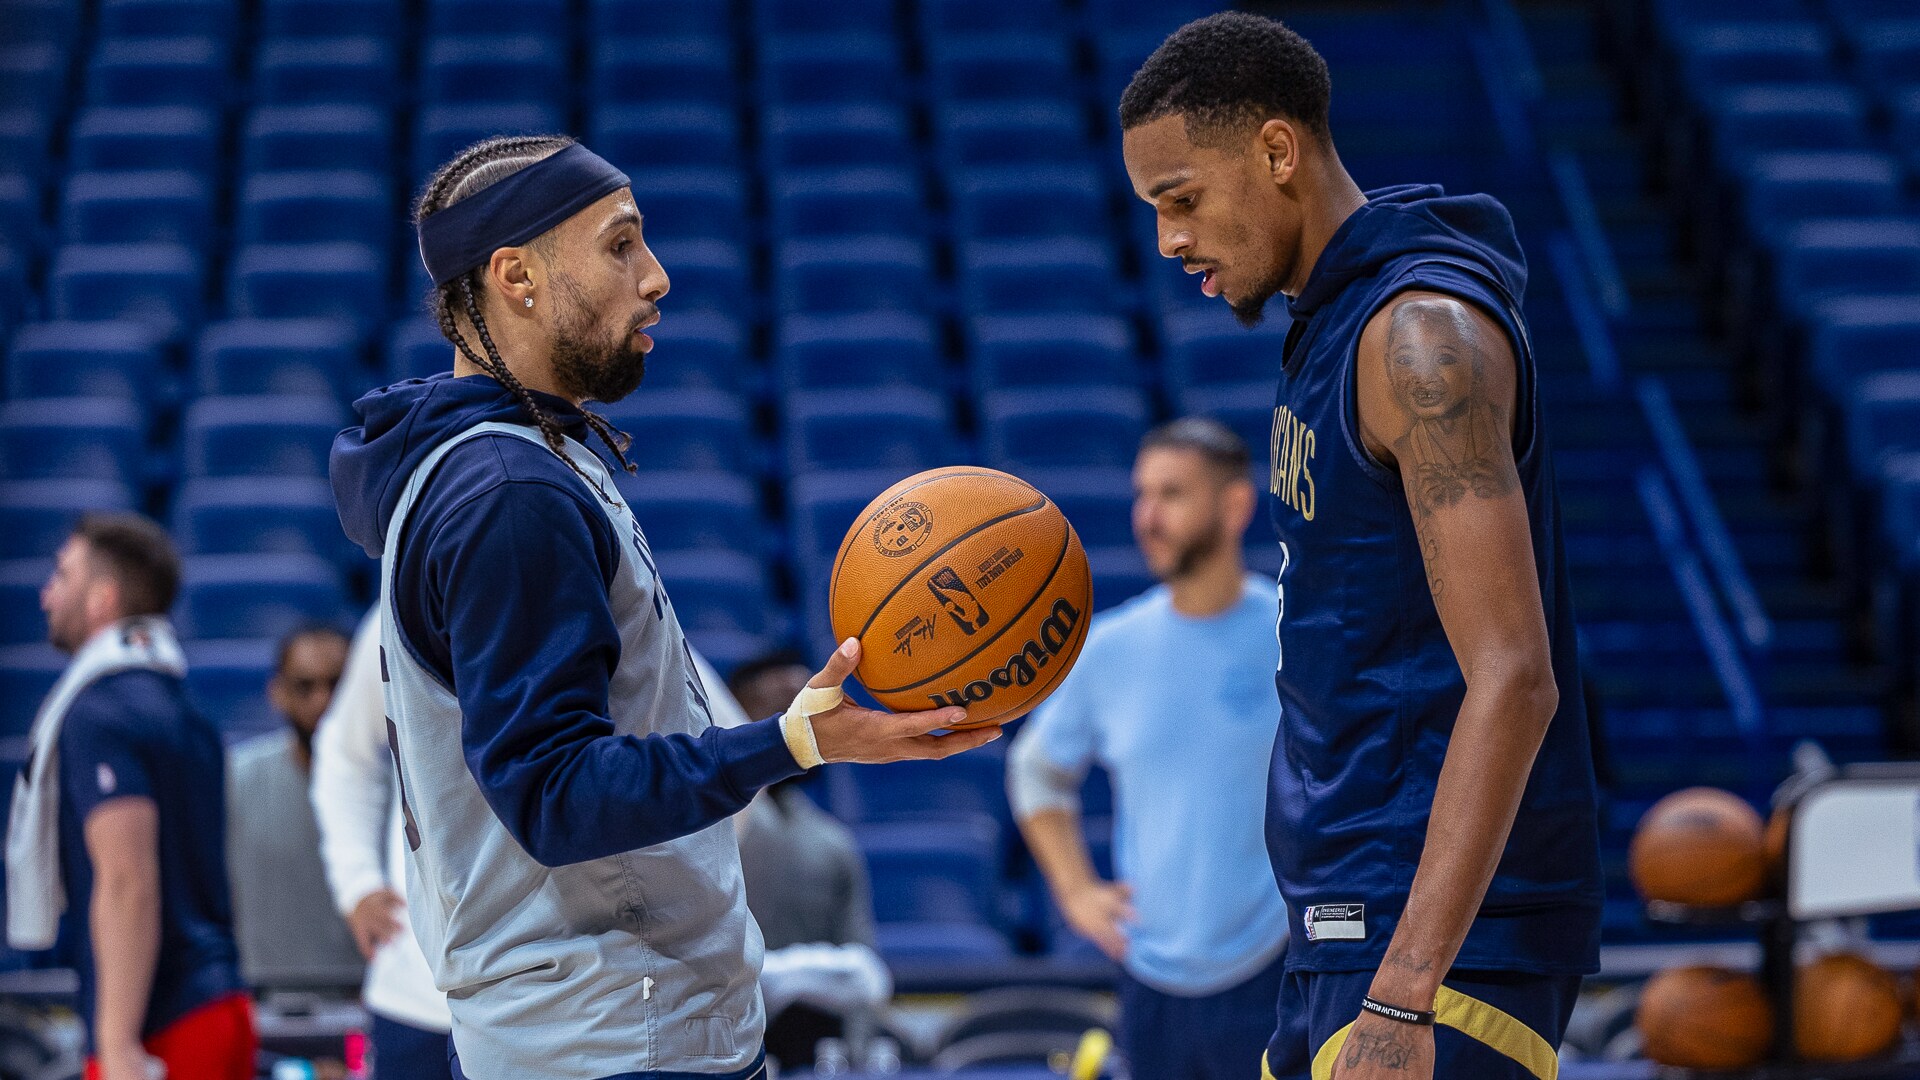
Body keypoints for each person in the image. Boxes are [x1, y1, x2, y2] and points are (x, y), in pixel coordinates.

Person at [328, 134, 997, 1080]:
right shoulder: (506, 493)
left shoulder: (524, 459)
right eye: (620, 245)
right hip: (611, 1035)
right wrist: (796, 742)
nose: (659, 276)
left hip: (622, 1024)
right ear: (515, 275)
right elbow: (554, 794)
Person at [1118, 15, 1602, 1080]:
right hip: (1348, 916)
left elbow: (1517, 676)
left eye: (1182, 199)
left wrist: (1404, 989)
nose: (1169, 242)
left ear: (1278, 153)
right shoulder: (1334, 321)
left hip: (1434, 950)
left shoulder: (1418, 339)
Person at [1006, 419, 1288, 1080]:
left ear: (1235, 505)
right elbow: (1037, 771)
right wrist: (1076, 892)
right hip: (1150, 978)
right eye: (1142, 495)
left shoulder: (1290, 631)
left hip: (1276, 964)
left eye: (1172, 495)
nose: (1148, 516)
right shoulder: (1111, 646)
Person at [6, 514, 253, 1080]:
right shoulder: (187, 711)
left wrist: (116, 1044)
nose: (46, 594)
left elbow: (127, 881)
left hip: (163, 1025)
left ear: (102, 598)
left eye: (61, 575)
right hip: (220, 1005)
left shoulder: (98, 712)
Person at [726, 653, 887, 1070]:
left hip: (812, 1048)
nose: (796, 724)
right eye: (778, 711)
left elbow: (866, 975)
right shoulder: (701, 829)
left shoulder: (833, 842)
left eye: (802, 709)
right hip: (719, 1039)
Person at [227, 625, 363, 994]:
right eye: (305, 686)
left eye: (337, 685)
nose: (322, 701)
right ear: (278, 694)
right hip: (262, 1002)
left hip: (369, 1002)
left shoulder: (397, 786)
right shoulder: (234, 781)